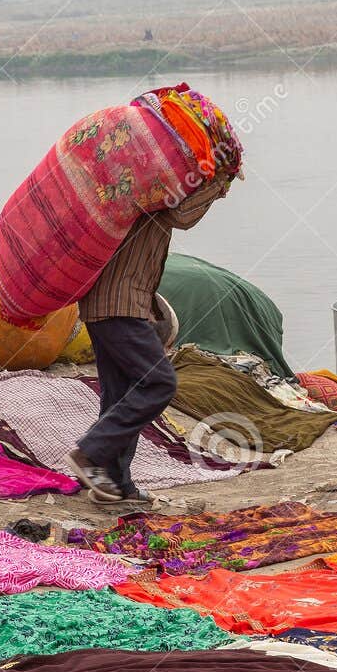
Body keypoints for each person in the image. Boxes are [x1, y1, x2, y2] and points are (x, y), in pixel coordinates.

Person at [66, 177, 230, 503]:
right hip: (120, 306)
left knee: (120, 394)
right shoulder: (151, 196)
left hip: (105, 306)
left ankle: (113, 484)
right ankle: (89, 452)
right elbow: (183, 216)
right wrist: (218, 183)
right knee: (159, 383)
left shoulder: (122, 196)